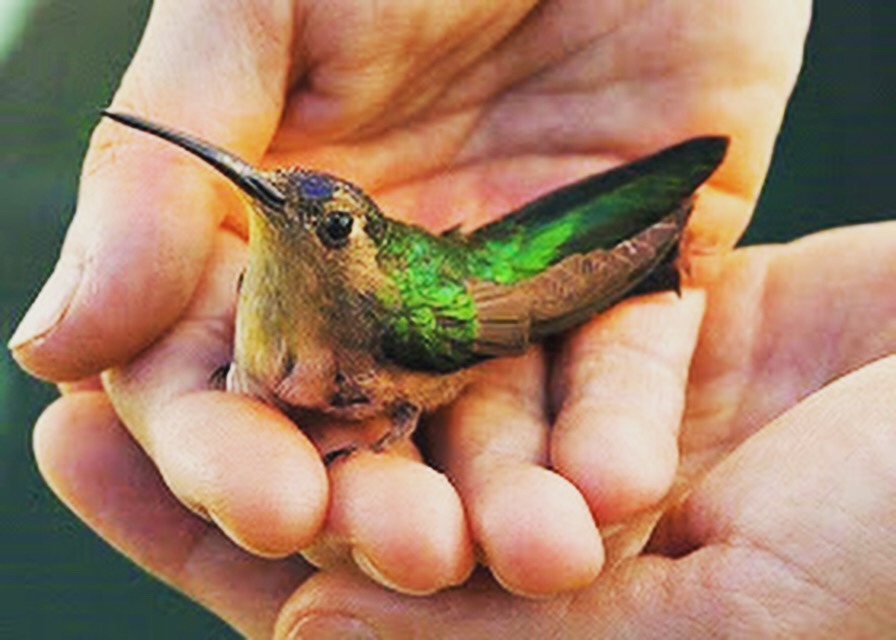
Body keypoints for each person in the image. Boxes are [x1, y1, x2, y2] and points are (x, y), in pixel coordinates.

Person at [13, 0, 894, 637]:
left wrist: (396, 418)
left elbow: (491, 321)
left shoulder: (391, 314)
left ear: (354, 243)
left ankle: (642, 246)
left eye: (327, 226)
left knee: (546, 263)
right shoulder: (257, 280)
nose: (268, 210)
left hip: (476, 293)